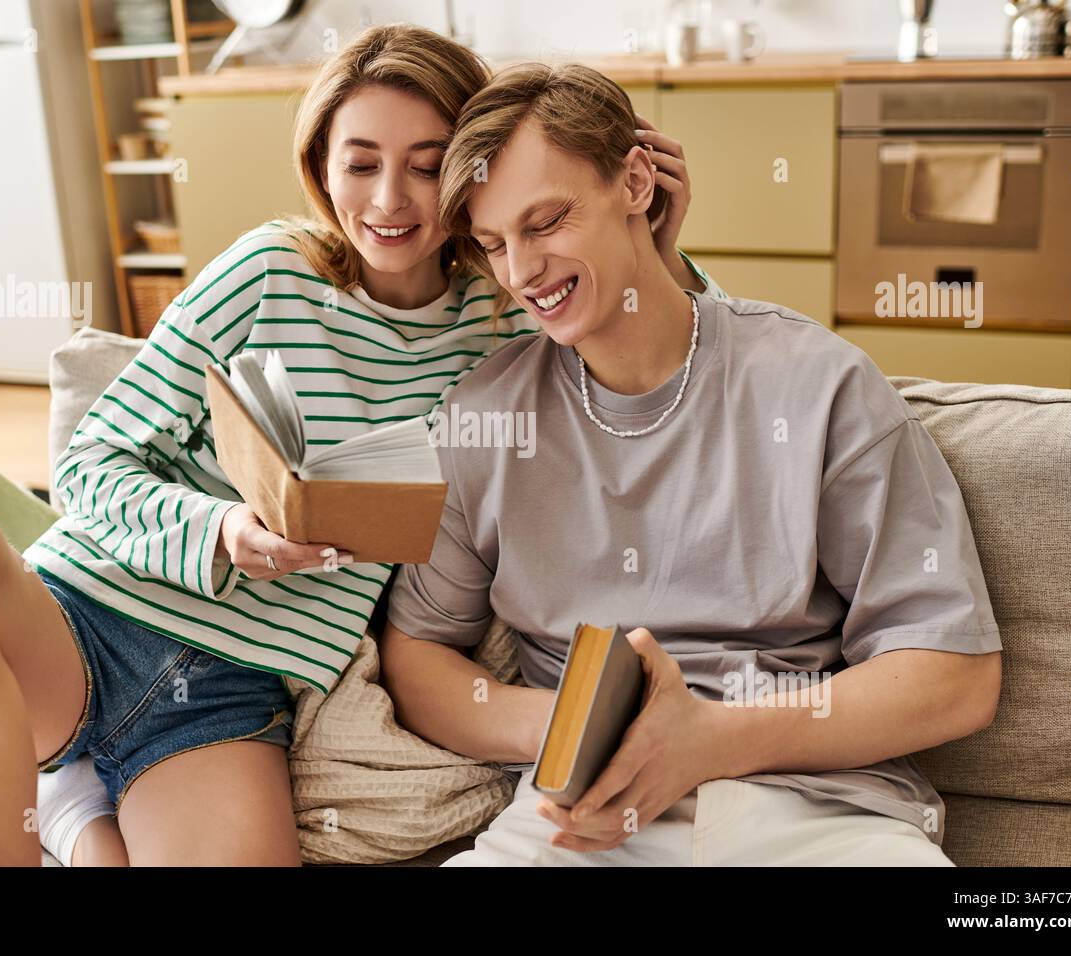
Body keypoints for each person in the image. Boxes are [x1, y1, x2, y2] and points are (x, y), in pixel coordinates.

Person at [0, 27, 722, 867]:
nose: (389, 201)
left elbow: (650, 369)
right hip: (85, 619)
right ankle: (64, 800)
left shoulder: (499, 320)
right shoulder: (267, 270)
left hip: (228, 697)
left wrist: (656, 247)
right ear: (321, 166)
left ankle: (77, 808)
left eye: (427, 167)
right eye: (361, 164)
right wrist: (223, 533)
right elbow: (91, 465)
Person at [380, 62, 1003, 866]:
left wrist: (704, 740)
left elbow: (955, 673)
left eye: (548, 222)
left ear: (635, 180)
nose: (522, 273)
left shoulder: (818, 384)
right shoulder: (483, 419)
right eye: (495, 244)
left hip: (813, 813)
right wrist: (583, 729)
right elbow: (416, 656)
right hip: (581, 823)